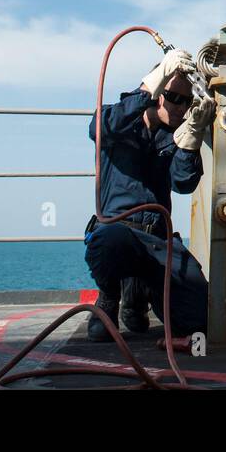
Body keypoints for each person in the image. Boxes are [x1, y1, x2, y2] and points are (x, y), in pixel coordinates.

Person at [83, 48, 215, 342]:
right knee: (109, 240)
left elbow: (183, 184)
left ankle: (139, 291)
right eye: (174, 98)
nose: (181, 107)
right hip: (118, 232)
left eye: (187, 101)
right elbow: (98, 129)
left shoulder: (176, 136)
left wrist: (191, 140)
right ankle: (109, 296)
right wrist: (151, 82)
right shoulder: (119, 122)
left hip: (158, 241)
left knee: (198, 319)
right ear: (157, 92)